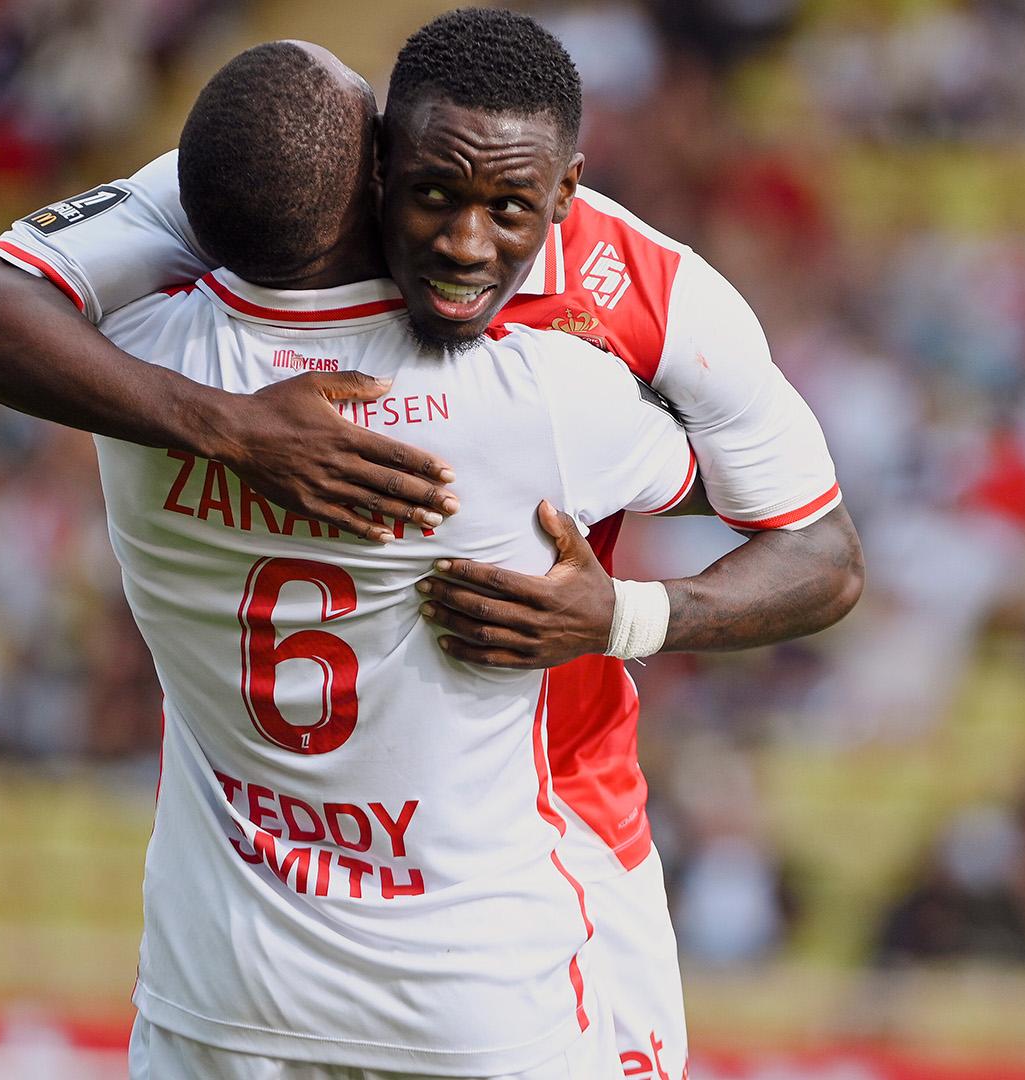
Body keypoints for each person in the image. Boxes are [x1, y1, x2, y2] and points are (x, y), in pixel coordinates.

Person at [0, 10, 863, 1077]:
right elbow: (754, 506)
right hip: (474, 966)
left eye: (509, 208)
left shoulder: (142, 345)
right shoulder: (545, 403)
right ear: (373, 169)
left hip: (538, 834)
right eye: (433, 197)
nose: (465, 244)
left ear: (568, 187)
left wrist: (627, 617)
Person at [75, 40, 697, 1077]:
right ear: (374, 181)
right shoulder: (537, 401)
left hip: (217, 996)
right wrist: (624, 614)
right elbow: (730, 479)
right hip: (470, 999)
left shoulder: (128, 365)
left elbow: (1, 310)